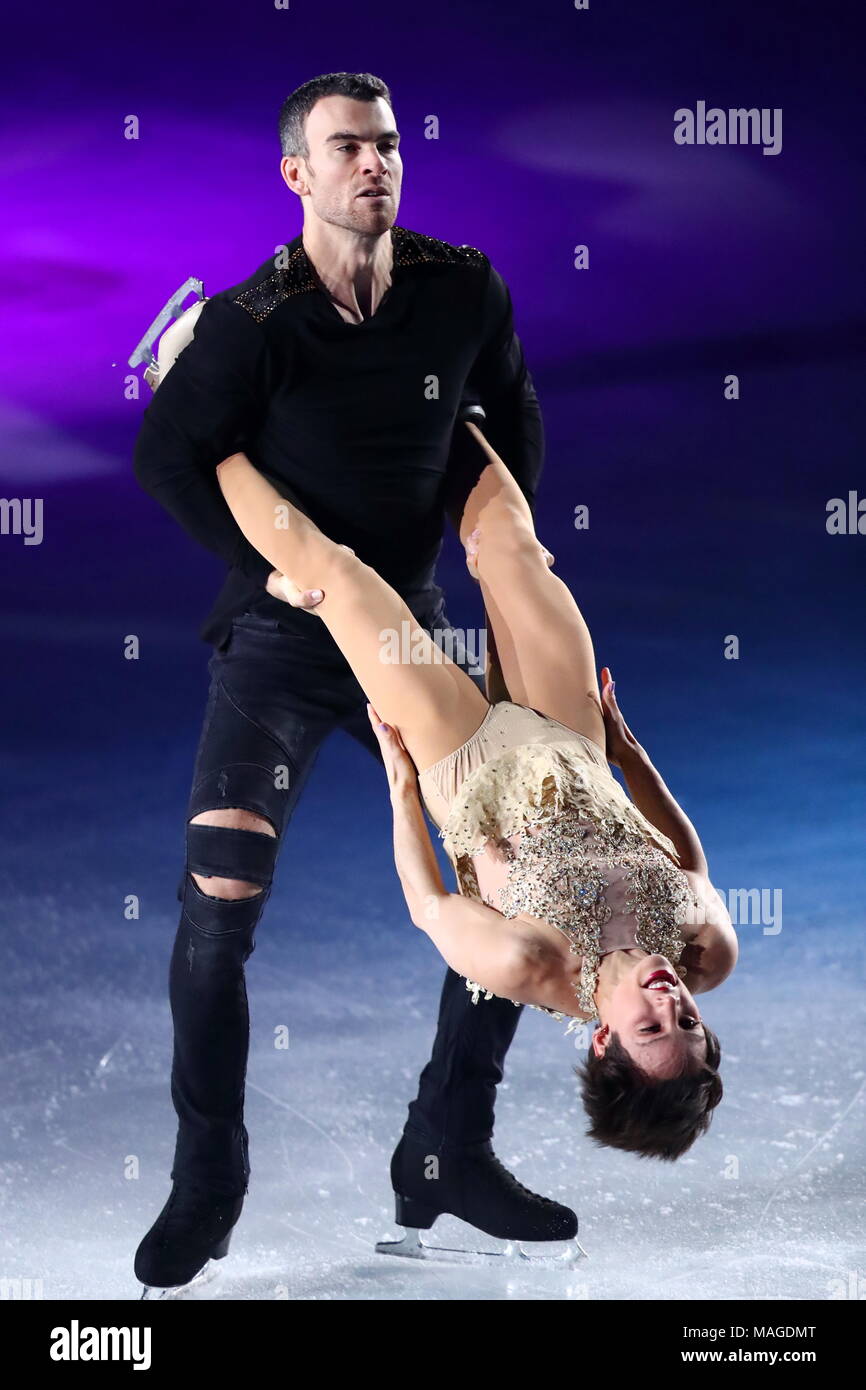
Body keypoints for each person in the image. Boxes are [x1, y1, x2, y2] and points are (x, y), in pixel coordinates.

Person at [132, 71, 571, 1297]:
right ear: (297, 174)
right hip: (280, 648)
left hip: (413, 641)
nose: (372, 164)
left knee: (522, 883)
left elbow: (509, 411)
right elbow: (166, 452)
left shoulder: (460, 286)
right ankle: (206, 1175)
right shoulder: (253, 321)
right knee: (217, 897)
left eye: (384, 144)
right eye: (345, 148)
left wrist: (506, 572)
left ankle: (447, 1144)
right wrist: (265, 575)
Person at [211, 426, 737, 1179]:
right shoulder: (708, 951)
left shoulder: (529, 963)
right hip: (574, 741)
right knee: (510, 545)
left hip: (465, 762)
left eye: (652, 1025)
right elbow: (690, 861)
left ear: (603, 1040)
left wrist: (402, 785)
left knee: (336, 578)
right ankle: (435, 381)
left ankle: (203, 411)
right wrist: (634, 760)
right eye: (688, 1018)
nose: (669, 997)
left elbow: (428, 905)